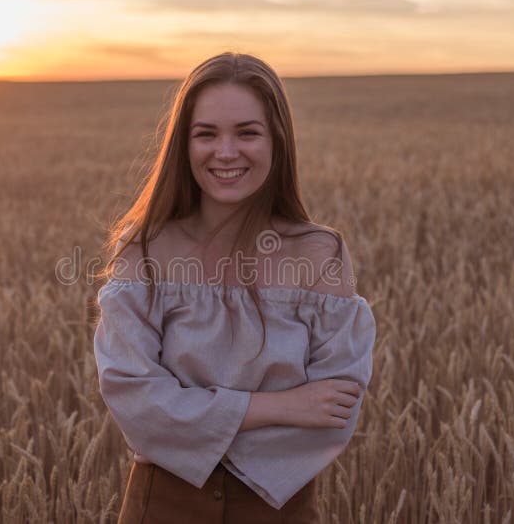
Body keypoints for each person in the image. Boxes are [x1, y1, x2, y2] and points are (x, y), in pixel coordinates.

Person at [93, 52, 376, 524]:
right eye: (206, 134)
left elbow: (335, 409)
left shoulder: (319, 255)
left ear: (278, 141)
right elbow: (135, 402)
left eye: (247, 132)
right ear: (184, 145)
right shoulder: (144, 249)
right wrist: (281, 405)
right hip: (162, 508)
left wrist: (190, 421)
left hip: (277, 507)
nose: (226, 152)